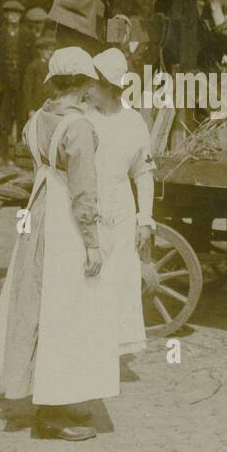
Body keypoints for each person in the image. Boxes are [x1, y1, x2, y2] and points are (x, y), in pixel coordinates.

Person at [0, 48, 114, 441]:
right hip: (66, 223)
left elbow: (40, 168)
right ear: (83, 85)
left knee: (39, 301)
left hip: (40, 211)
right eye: (90, 82)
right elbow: (84, 191)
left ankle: (58, 392)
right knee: (65, 310)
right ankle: (51, 413)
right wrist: (92, 243)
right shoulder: (79, 128)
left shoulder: (37, 118)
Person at [86, 48, 155, 355]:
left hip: (122, 210)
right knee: (89, 276)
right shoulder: (83, 120)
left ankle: (111, 349)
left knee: (119, 279)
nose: (88, 89)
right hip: (90, 207)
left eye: (94, 84)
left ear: (111, 88)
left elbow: (143, 173)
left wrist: (145, 219)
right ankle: (87, 346)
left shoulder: (134, 123)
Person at [0, 0, 27, 161]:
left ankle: (20, 155)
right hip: (3, 85)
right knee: (2, 119)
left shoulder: (26, 34)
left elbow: (30, 62)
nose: (14, 16)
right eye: (10, 13)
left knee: (22, 119)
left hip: (22, 84)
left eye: (17, 14)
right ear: (6, 15)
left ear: (20, 16)